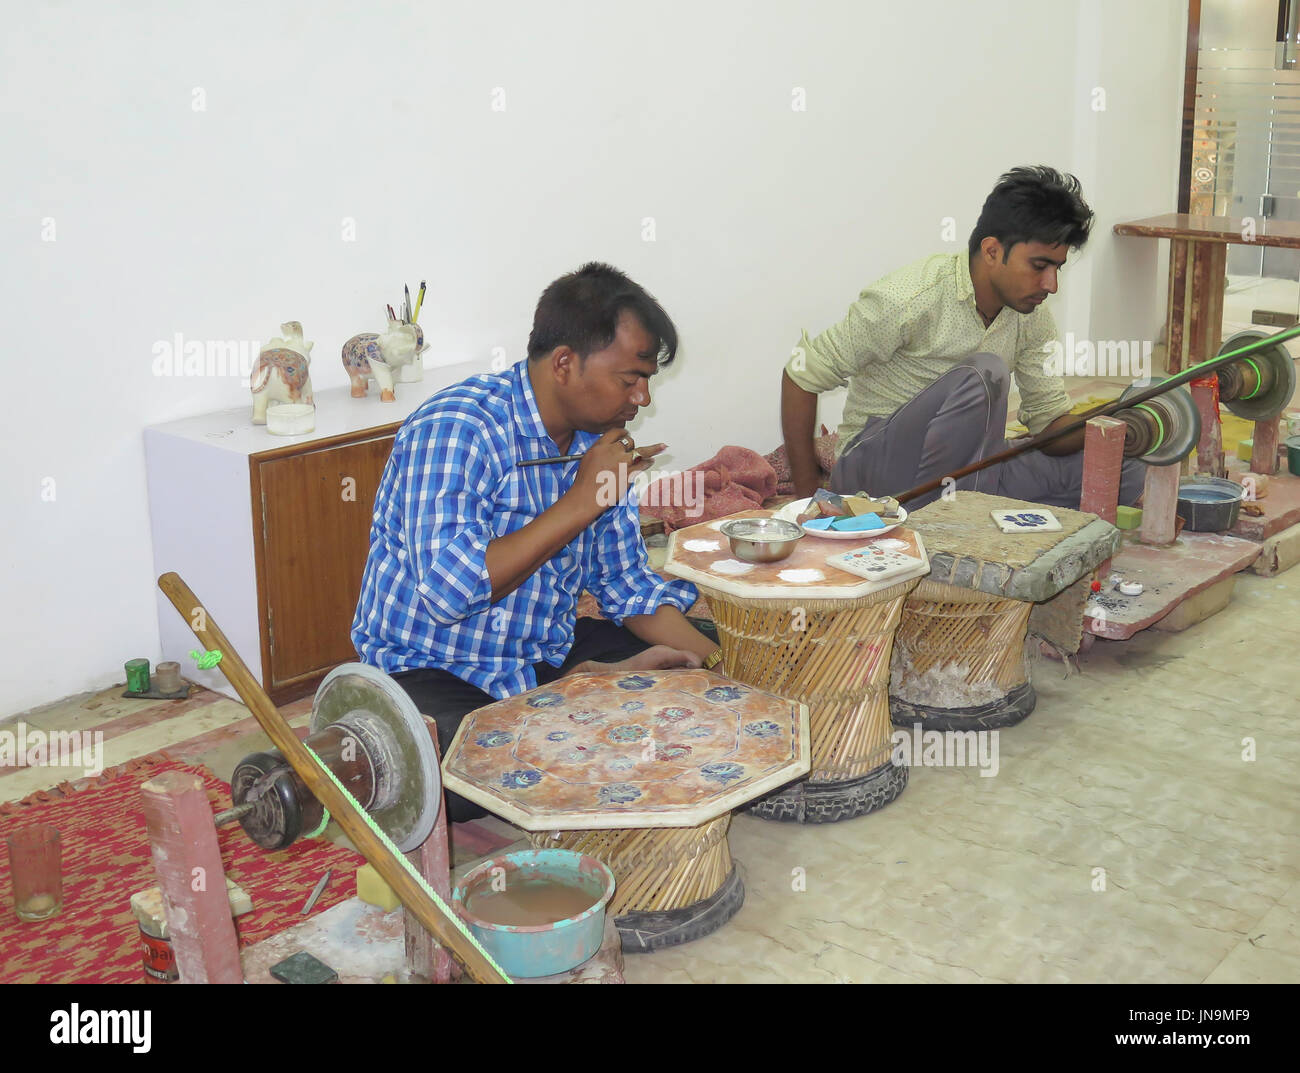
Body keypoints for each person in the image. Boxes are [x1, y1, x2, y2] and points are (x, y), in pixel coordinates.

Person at [352, 262, 722, 821]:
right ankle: (574, 701)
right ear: (565, 364)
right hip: (433, 673)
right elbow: (451, 593)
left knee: (696, 676)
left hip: (539, 657)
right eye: (630, 379)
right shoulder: (457, 428)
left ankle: (577, 696)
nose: (642, 398)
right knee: (445, 772)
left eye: (646, 380)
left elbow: (624, 584)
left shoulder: (598, 443)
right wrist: (580, 502)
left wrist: (723, 667)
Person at [780, 165, 1147, 509]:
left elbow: (1049, 426)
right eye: (1039, 266)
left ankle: (960, 515)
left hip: (970, 473)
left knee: (1121, 470)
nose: (1051, 285)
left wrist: (1120, 418)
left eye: (1057, 268)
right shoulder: (909, 297)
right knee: (985, 374)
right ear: (992, 251)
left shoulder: (1032, 318)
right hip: (878, 476)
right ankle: (948, 518)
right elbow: (800, 375)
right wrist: (809, 499)